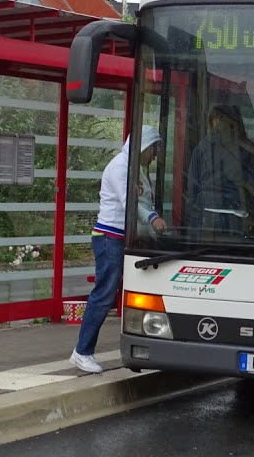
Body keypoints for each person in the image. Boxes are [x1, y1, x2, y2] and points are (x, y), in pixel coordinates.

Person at [69, 125, 164, 374]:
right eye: (154, 147)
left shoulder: (136, 167)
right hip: (109, 237)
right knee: (104, 294)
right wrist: (153, 219)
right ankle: (82, 352)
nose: (155, 154)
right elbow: (130, 202)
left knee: (124, 292)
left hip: (121, 238)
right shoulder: (121, 167)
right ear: (143, 146)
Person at [186, 104, 254, 232]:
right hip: (205, 219)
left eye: (223, 120)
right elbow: (191, 190)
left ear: (236, 126)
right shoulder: (202, 150)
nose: (219, 126)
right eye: (215, 121)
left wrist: (243, 182)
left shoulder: (246, 151)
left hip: (237, 218)